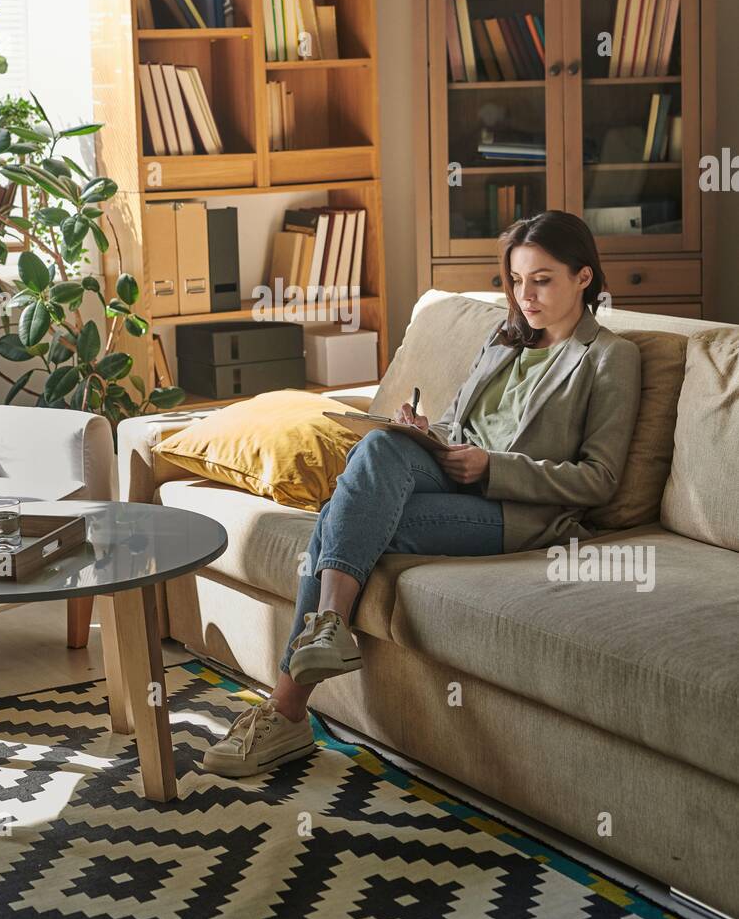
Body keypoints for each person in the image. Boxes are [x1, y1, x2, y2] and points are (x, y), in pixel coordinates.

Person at [202, 210, 641, 777]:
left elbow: (599, 480)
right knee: (384, 448)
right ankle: (321, 643)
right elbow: (459, 426)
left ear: (584, 277)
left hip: (519, 511)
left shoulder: (609, 357)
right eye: (515, 280)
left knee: (344, 518)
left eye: (542, 280)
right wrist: (427, 433)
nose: (524, 295)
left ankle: (287, 708)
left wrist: (492, 467)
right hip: (452, 476)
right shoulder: (502, 340)